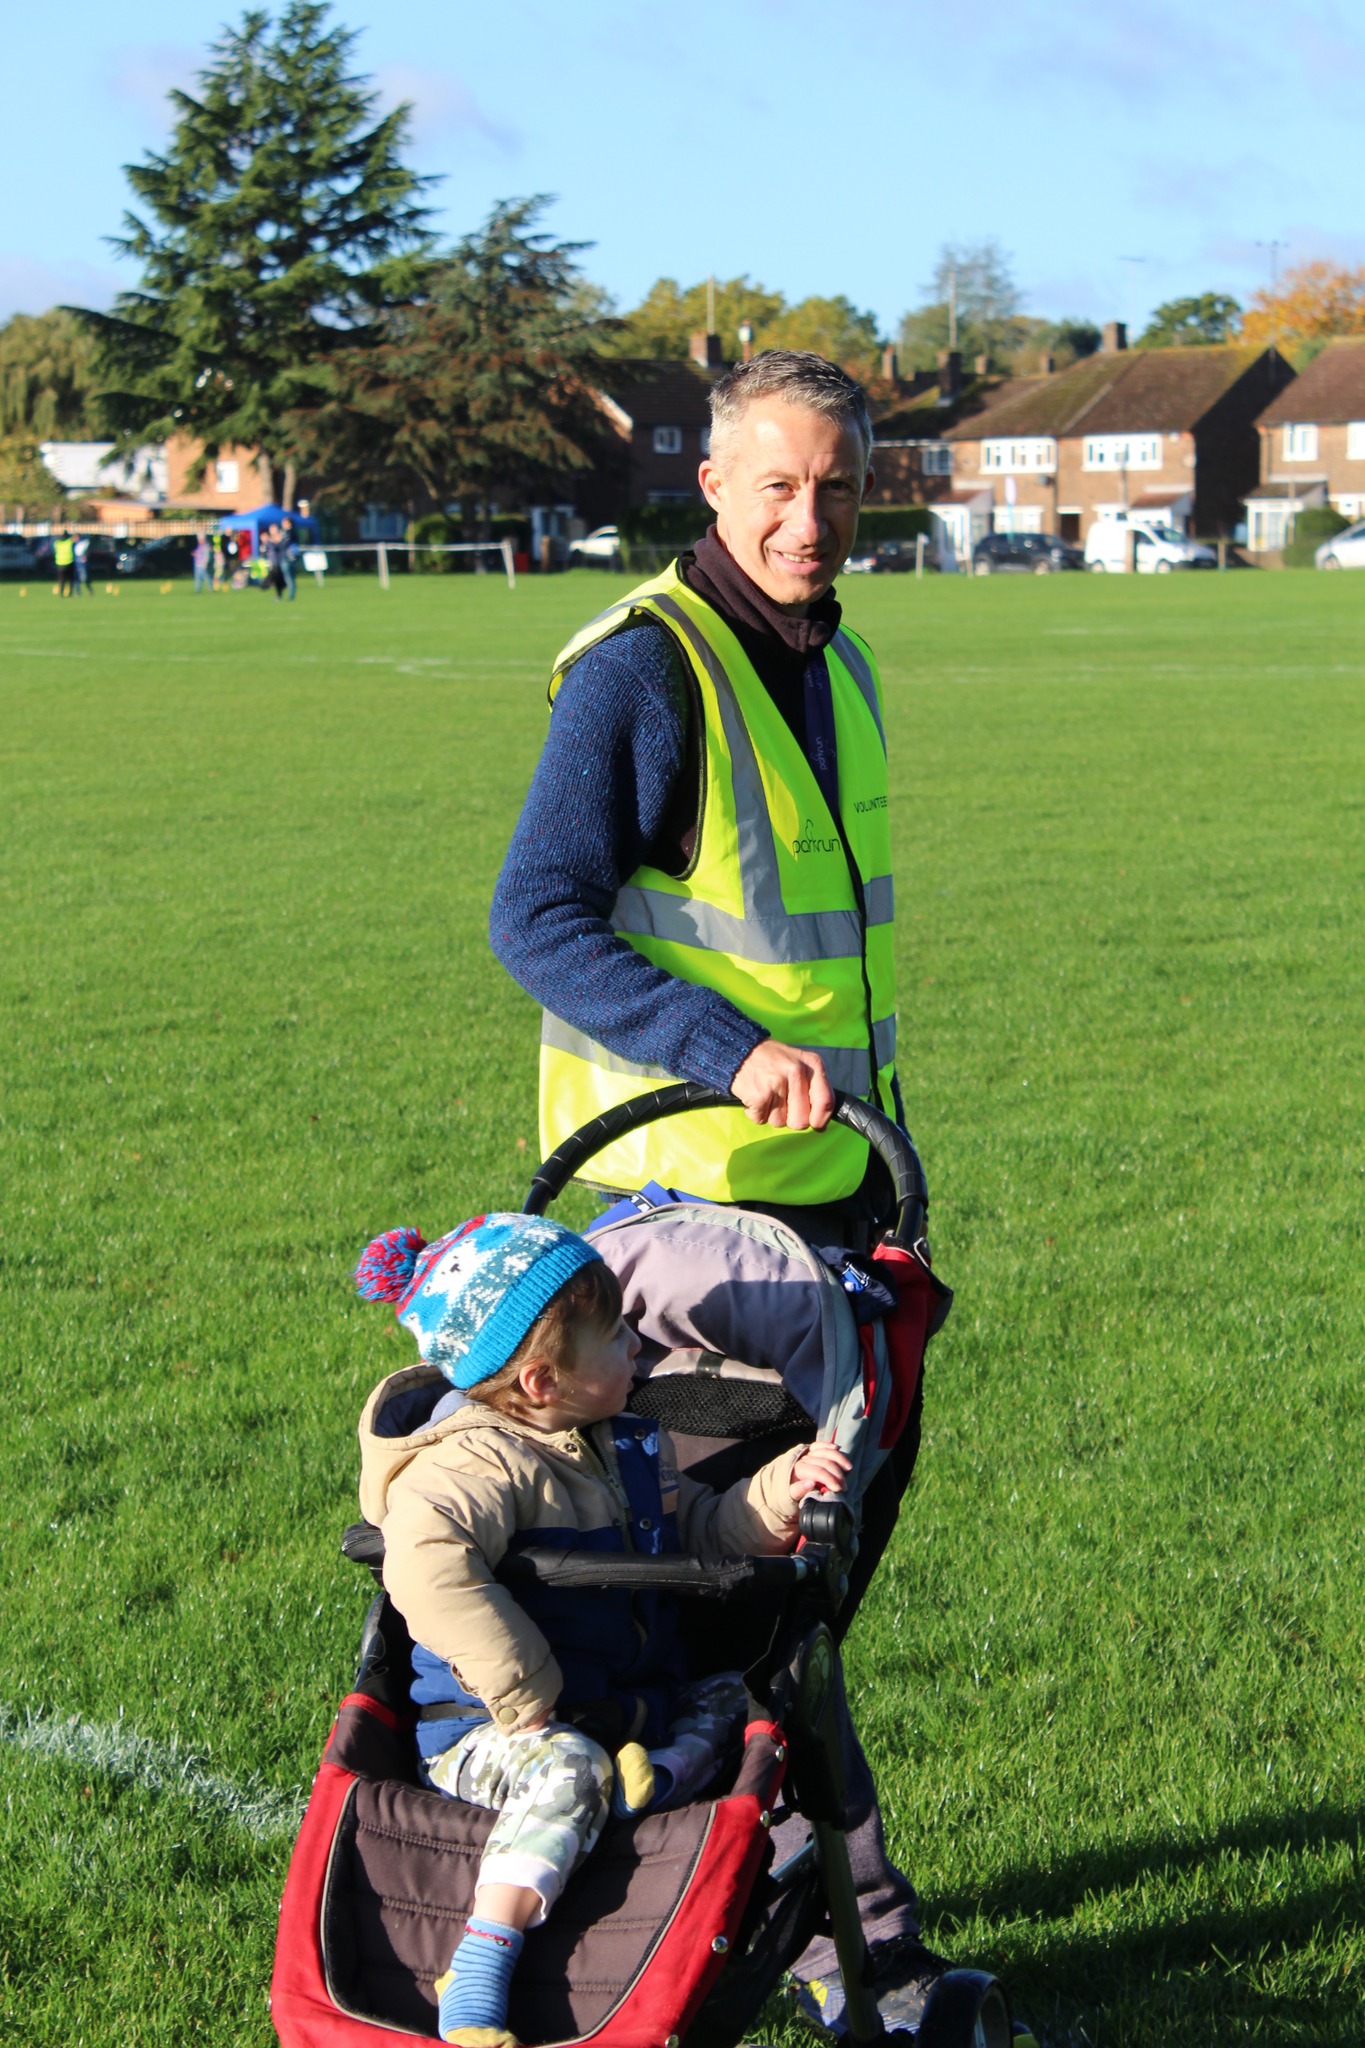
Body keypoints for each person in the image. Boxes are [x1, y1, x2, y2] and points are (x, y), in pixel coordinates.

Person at [490, 349, 943, 2033]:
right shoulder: (645, 673)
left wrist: (892, 1153)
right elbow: (534, 914)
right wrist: (720, 1044)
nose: (807, 518)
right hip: (681, 1237)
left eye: (835, 486)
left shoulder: (843, 664)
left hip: (838, 1208)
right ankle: (815, 1936)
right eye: (775, 484)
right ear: (713, 484)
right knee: (729, 1603)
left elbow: (841, 966)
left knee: (790, 1600)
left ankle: (799, 1920)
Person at [354, 1211, 849, 2048]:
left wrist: (777, 1492)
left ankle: (646, 1772)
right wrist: (525, 1695)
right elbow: (425, 1565)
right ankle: (479, 1966)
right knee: (571, 1770)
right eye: (617, 1336)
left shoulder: (621, 1439)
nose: (638, 1348)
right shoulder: (475, 1463)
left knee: (737, 1702)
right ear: (543, 1382)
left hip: (621, 1700)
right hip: (494, 1727)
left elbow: (699, 1531)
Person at [279, 515, 298, 600]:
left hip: (289, 557)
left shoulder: (290, 532)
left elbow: (286, 543)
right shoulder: (286, 532)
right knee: (289, 576)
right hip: (287, 557)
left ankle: (291, 594)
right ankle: (291, 593)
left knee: (288, 575)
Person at [53, 529, 75, 598]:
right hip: (69, 562)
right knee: (71, 579)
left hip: (59, 563)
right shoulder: (69, 542)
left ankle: (61, 593)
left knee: (61, 580)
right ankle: (70, 592)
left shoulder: (57, 543)